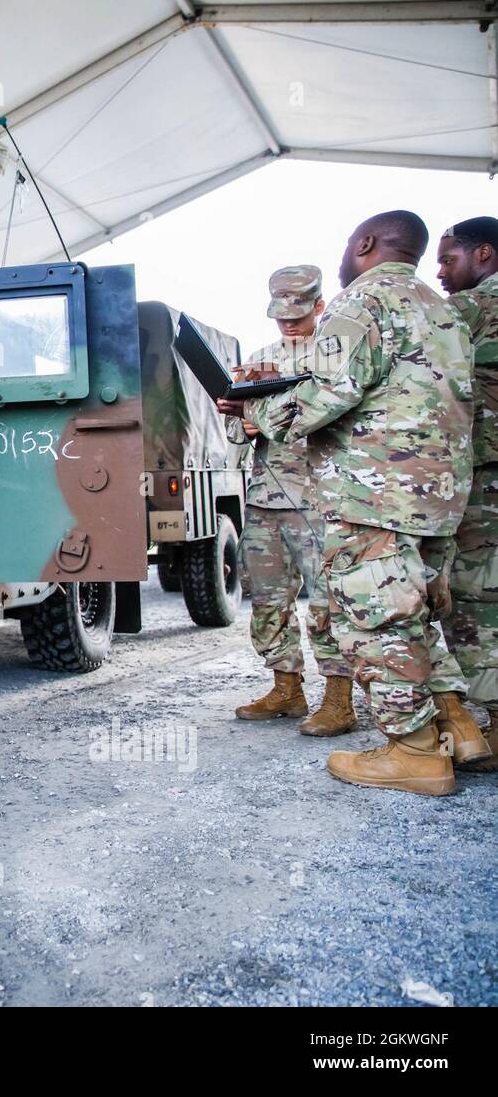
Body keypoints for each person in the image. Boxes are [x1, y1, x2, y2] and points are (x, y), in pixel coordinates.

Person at [219, 210, 478, 795]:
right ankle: (458, 728)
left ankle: (413, 750)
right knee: (412, 610)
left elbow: (329, 393)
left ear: (364, 244)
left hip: (373, 492)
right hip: (432, 492)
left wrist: (255, 410)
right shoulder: (441, 307)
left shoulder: (363, 303)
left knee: (377, 617)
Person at [226, 266, 355, 734]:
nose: (289, 323)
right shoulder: (259, 359)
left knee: (328, 604)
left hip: (320, 500)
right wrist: (240, 416)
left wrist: (276, 416)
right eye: (281, 316)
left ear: (320, 306)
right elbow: (235, 437)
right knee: (266, 600)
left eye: (298, 313)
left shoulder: (336, 359)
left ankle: (339, 701)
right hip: (266, 499)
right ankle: (287, 689)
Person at [437, 216, 498, 770]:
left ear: (483, 253)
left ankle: (494, 729)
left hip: (485, 478)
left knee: (477, 596)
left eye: (447, 259)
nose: (439, 272)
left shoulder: (471, 308)